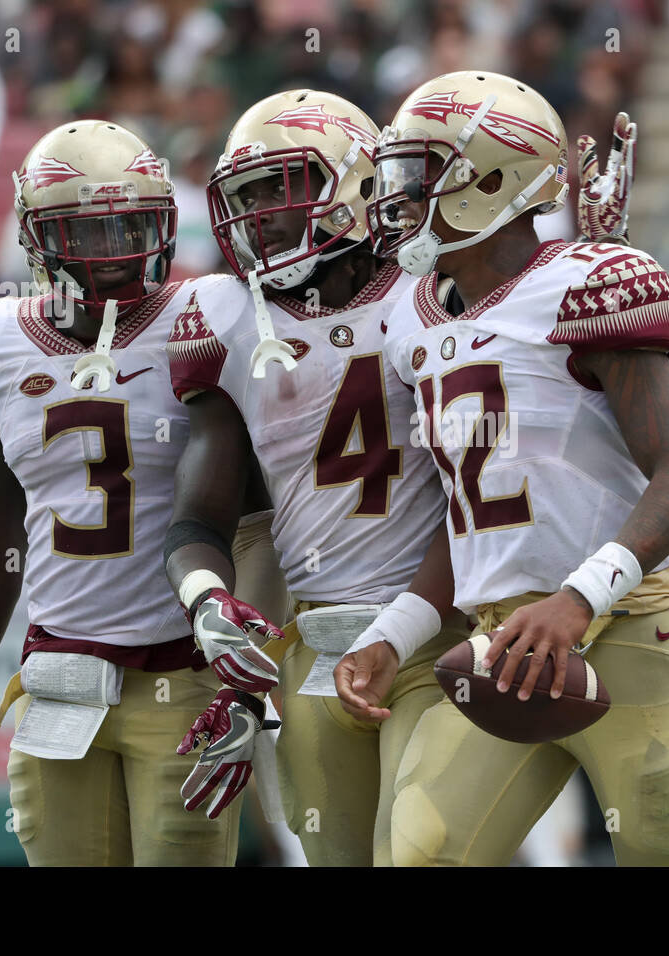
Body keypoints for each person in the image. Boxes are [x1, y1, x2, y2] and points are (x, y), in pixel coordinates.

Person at [346, 70, 669, 866]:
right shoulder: (414, 319)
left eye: (420, 176)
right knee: (416, 855)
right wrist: (393, 635)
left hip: (628, 630)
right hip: (500, 646)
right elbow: (475, 513)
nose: (401, 197)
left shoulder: (583, 285)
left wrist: (577, 599)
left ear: (489, 180)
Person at [0, 119, 283, 866]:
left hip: (183, 674)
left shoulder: (209, 312)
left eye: (131, 226)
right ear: (36, 237)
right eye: (91, 231)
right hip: (58, 684)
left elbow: (249, 518)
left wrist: (244, 685)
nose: (116, 252)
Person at [162, 89, 468, 866]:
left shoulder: (430, 291)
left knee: (423, 850)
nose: (259, 212)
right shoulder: (228, 316)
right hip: (318, 644)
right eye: (247, 195)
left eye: (280, 187)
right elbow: (208, 518)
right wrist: (211, 609)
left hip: (439, 628)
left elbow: (490, 485)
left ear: (360, 182)